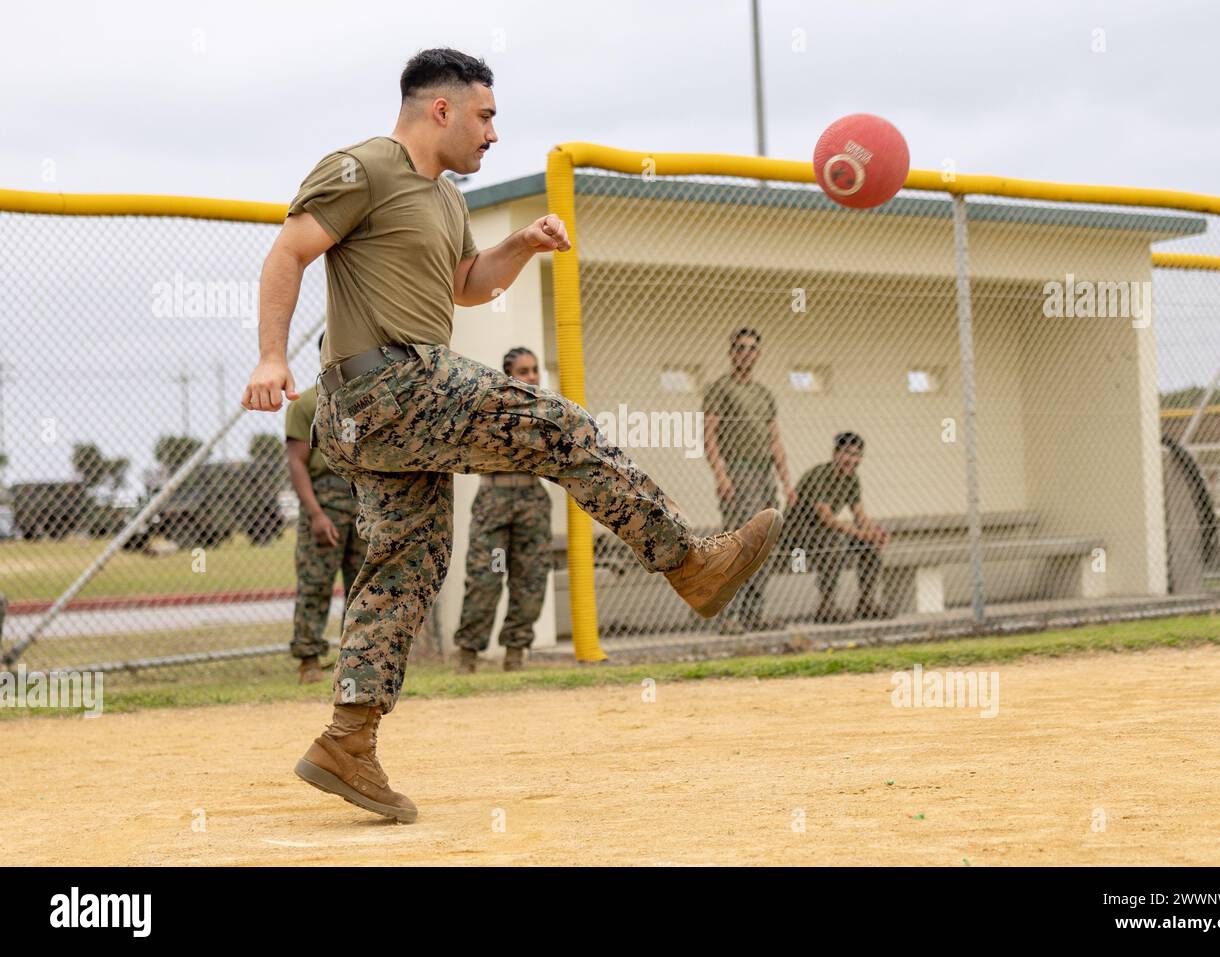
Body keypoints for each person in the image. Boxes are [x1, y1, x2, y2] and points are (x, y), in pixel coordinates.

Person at [241, 47, 781, 823]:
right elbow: (288, 251)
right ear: (441, 109)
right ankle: (689, 562)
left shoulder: (448, 199)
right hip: (387, 383)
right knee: (560, 426)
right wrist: (268, 355)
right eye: (486, 115)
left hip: (394, 412)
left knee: (410, 560)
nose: (494, 132)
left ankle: (346, 738)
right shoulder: (363, 167)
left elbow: (470, 286)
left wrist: (522, 244)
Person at [453, 347, 552, 674]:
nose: (532, 376)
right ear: (509, 375)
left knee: (530, 578)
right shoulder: (489, 408)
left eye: (534, 369)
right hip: (494, 501)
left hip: (531, 501)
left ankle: (515, 652)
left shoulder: (545, 410)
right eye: (524, 371)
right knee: (485, 577)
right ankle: (468, 654)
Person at [702, 327, 795, 632]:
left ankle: (754, 613)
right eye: (740, 348)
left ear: (758, 354)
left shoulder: (763, 393)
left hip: (763, 472)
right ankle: (730, 616)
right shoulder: (720, 388)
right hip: (738, 471)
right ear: (731, 352)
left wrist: (786, 482)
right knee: (739, 544)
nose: (746, 353)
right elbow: (709, 436)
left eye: (752, 348)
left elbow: (775, 439)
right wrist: (721, 476)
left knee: (762, 544)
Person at [284, 332, 364, 684]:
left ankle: (358, 660)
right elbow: (297, 463)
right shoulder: (305, 404)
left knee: (363, 584)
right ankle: (309, 660)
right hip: (325, 498)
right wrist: (316, 514)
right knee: (316, 581)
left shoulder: (366, 401)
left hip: (362, 496)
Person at [783, 432, 891, 623]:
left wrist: (875, 533)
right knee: (836, 541)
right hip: (796, 535)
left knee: (869, 545)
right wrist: (862, 534)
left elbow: (860, 516)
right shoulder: (820, 475)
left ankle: (866, 603)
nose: (854, 460)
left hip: (823, 534)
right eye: (848, 454)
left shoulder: (852, 479)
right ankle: (827, 607)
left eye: (858, 455)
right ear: (835, 453)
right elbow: (827, 519)